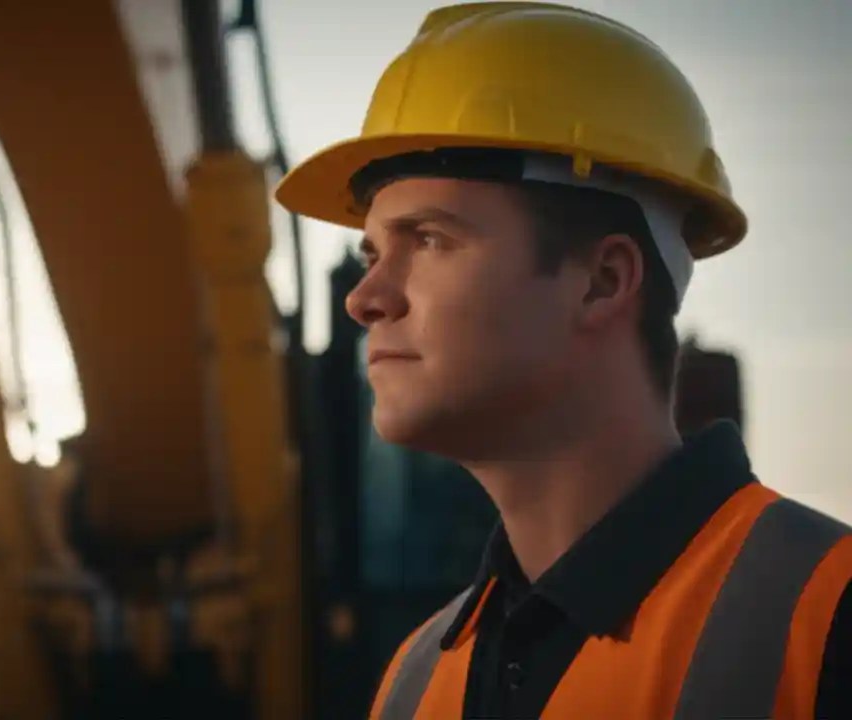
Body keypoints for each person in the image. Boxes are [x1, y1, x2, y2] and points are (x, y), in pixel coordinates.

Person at [273, 3, 851, 718]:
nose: (365, 298)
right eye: (371, 253)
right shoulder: (416, 680)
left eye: (427, 239)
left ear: (602, 281)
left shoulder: (829, 616)